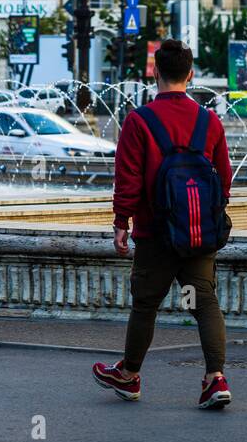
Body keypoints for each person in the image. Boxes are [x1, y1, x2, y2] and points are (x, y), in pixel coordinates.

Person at [93, 38, 234, 411]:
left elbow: (128, 179)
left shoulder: (139, 121)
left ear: (155, 72)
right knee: (203, 302)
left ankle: (129, 374)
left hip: (155, 232)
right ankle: (214, 378)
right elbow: (224, 177)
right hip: (198, 234)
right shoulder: (210, 121)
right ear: (190, 74)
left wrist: (121, 221)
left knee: (146, 305)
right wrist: (207, 216)